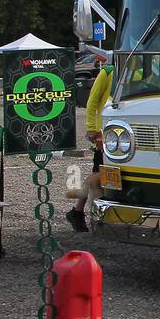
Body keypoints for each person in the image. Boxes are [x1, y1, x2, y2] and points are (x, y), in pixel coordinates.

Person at [67, 59, 112, 233]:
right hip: (104, 132)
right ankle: (98, 219)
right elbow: (92, 100)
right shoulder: (108, 71)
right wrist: (92, 129)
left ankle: (77, 211)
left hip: (122, 133)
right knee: (99, 175)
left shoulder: (141, 68)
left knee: (98, 173)